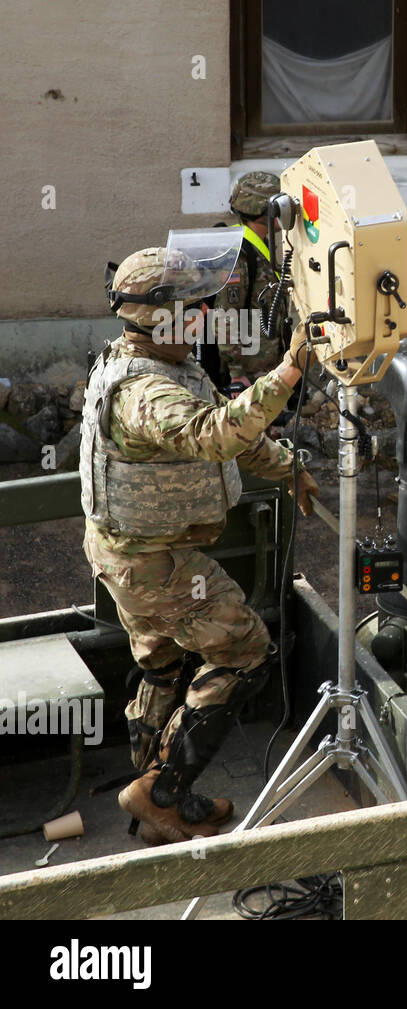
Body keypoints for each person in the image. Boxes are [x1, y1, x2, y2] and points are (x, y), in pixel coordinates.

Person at [83, 241, 318, 844]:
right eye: (192, 307)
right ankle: (158, 793)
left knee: (161, 668)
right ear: (158, 316)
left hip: (135, 554)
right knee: (246, 652)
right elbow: (213, 435)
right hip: (153, 563)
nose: (204, 317)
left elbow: (224, 423)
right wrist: (289, 370)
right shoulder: (146, 393)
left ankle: (158, 799)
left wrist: (287, 466)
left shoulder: (159, 363)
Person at [215, 171, 290, 387]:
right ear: (262, 210)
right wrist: (236, 372)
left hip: (266, 363)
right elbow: (226, 315)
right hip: (249, 370)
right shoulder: (239, 252)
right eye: (278, 205)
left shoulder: (259, 244)